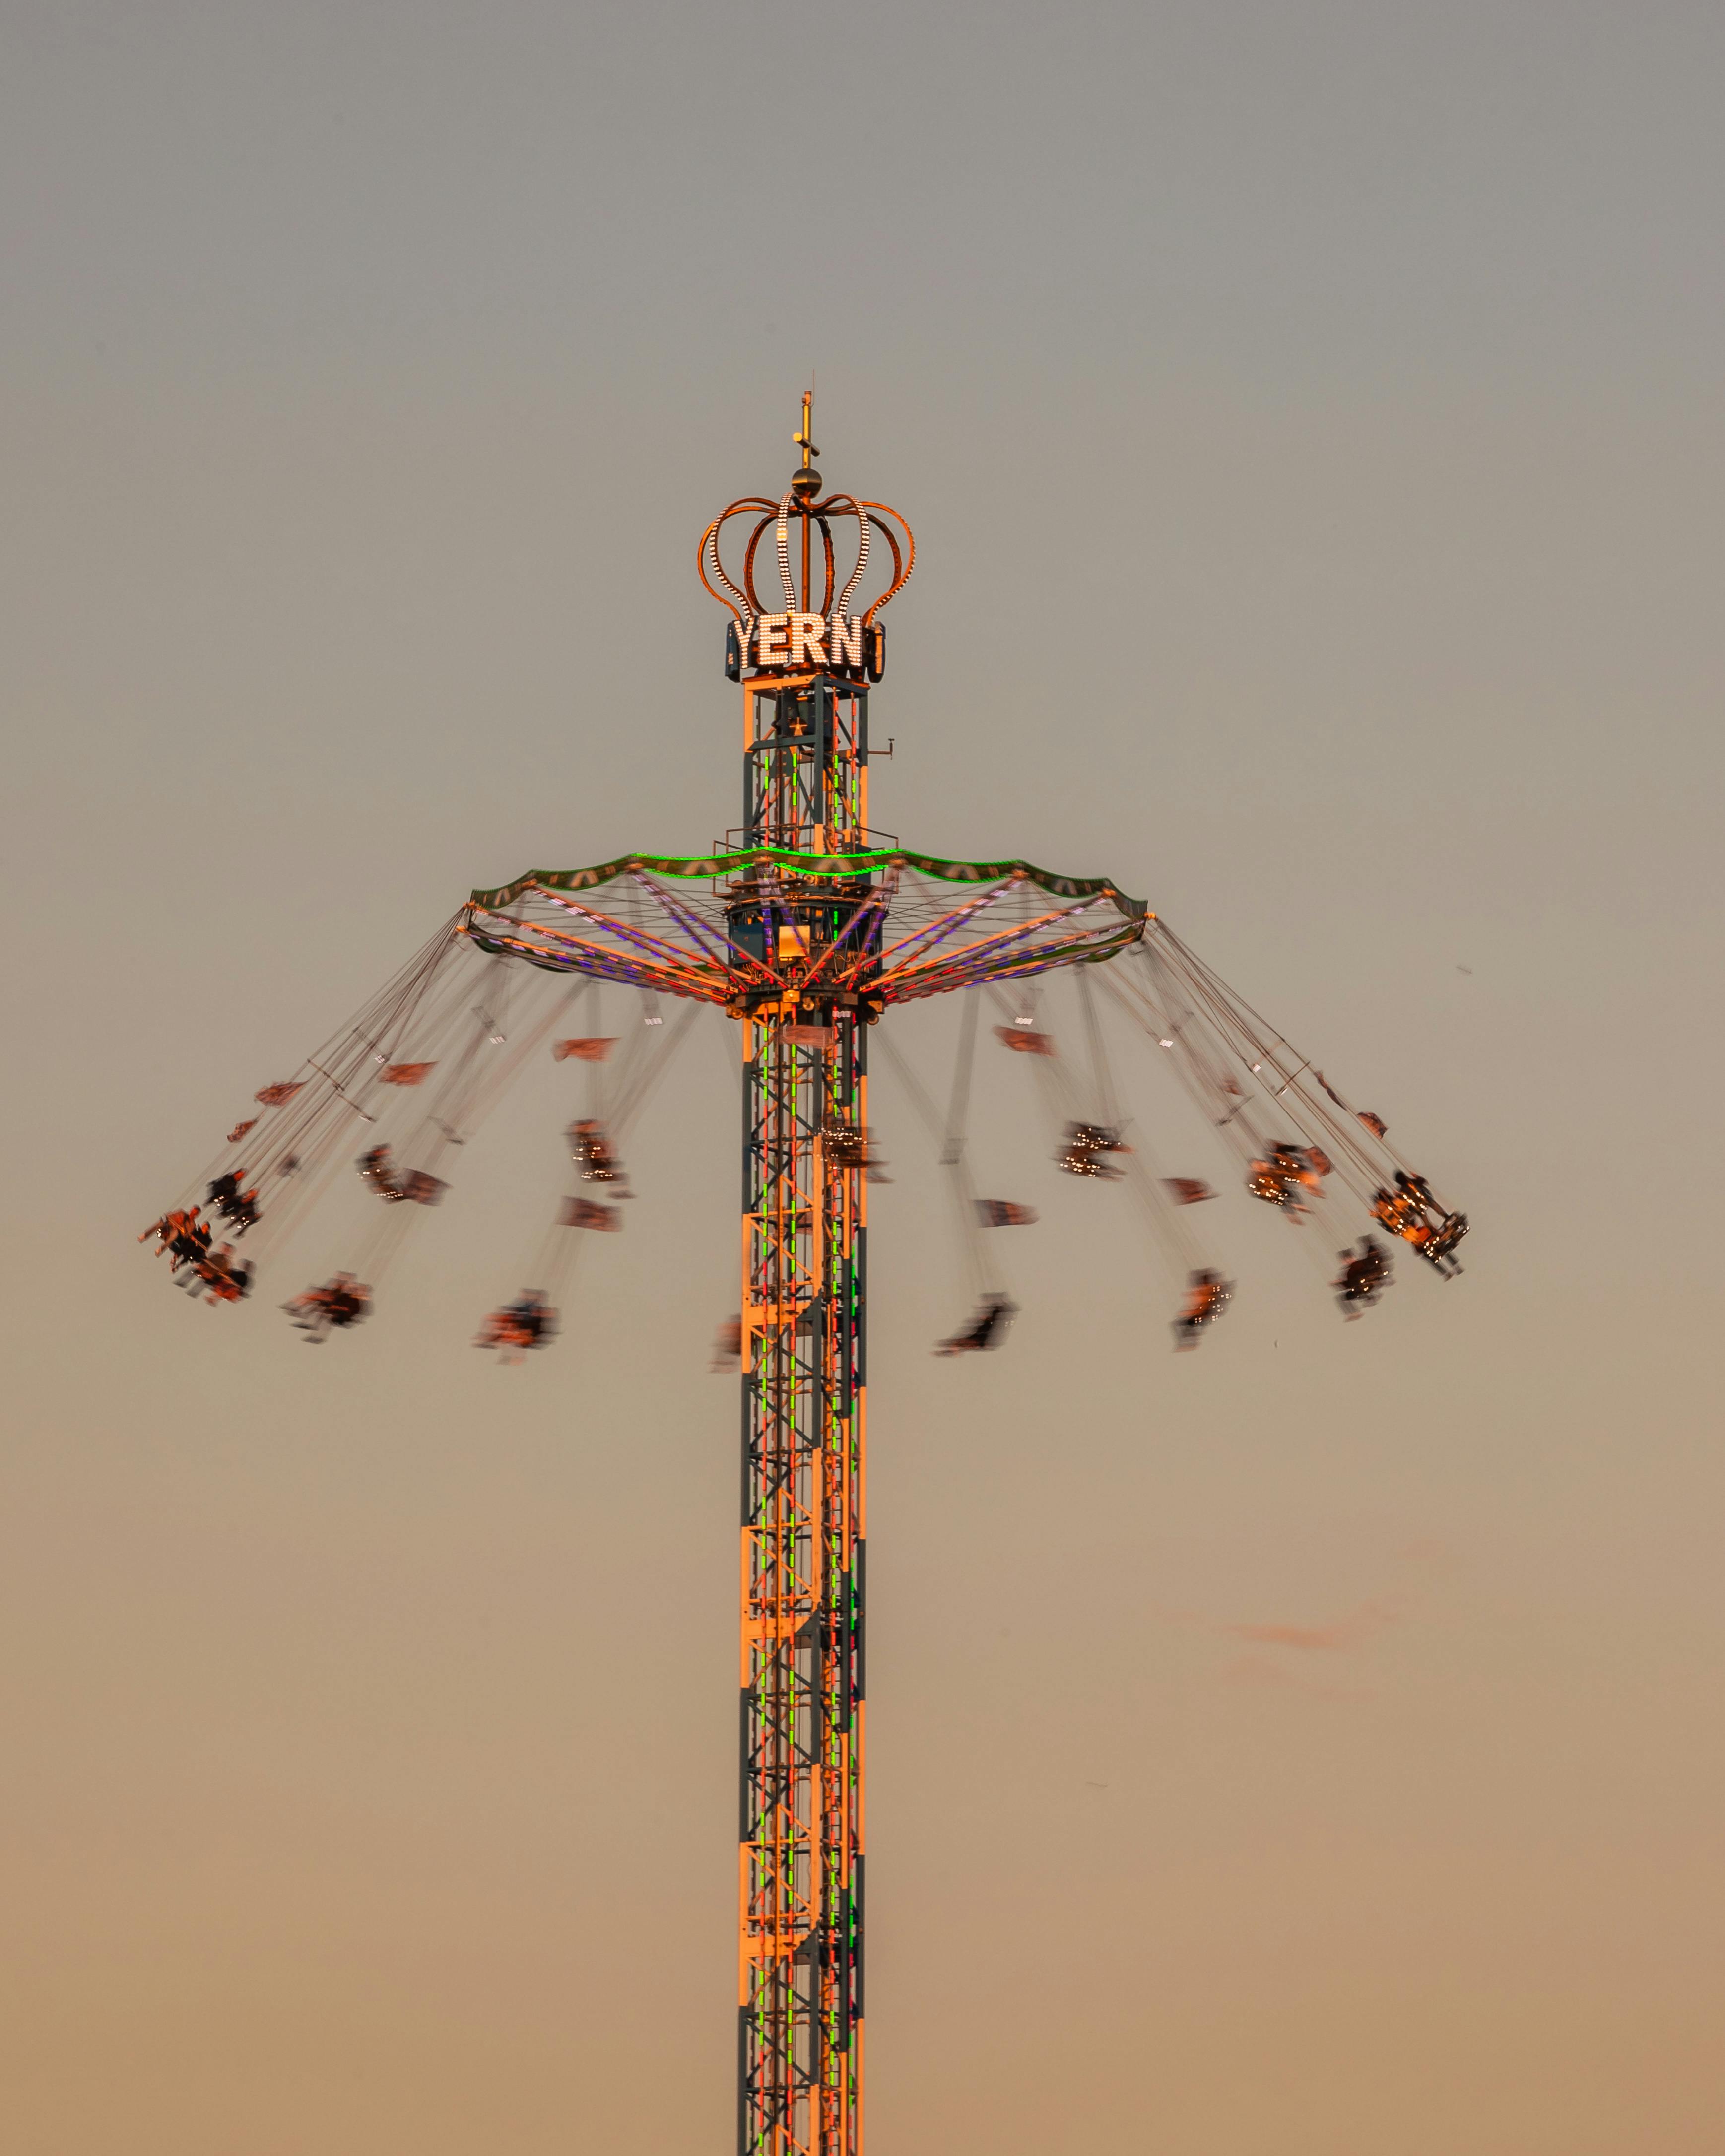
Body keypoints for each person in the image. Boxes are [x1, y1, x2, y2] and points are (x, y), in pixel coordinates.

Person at [934, 1292, 1017, 1356]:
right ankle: (1001, 1306)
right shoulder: (979, 1339)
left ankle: (999, 1306)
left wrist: (946, 1352)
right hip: (986, 1339)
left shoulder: (976, 1337)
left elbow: (959, 1347)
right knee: (988, 1323)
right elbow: (962, 1347)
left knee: (986, 1323)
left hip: (984, 1337)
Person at [1172, 1268, 1232, 1349]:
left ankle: (1189, 1342)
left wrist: (1187, 1312)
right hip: (1202, 1316)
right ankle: (1190, 1342)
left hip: (1201, 1316)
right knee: (1185, 1326)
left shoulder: (1208, 1292)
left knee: (1179, 1325)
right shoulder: (1209, 1291)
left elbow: (1203, 1307)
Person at [1334, 1235, 1392, 1315]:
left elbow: (1376, 1264)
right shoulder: (1352, 1269)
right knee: (1345, 1296)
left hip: (1369, 1279)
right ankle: (1354, 1312)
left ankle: (1366, 1299)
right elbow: (1349, 1283)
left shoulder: (1359, 1265)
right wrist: (1340, 1284)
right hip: (1363, 1283)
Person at [1057, 1122, 1127, 1179]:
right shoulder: (1079, 1161)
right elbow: (1088, 1172)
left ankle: (1112, 1172)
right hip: (1089, 1155)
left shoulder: (1084, 1147)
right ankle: (1112, 1172)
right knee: (1098, 1164)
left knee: (1100, 1147)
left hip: (1092, 1146)